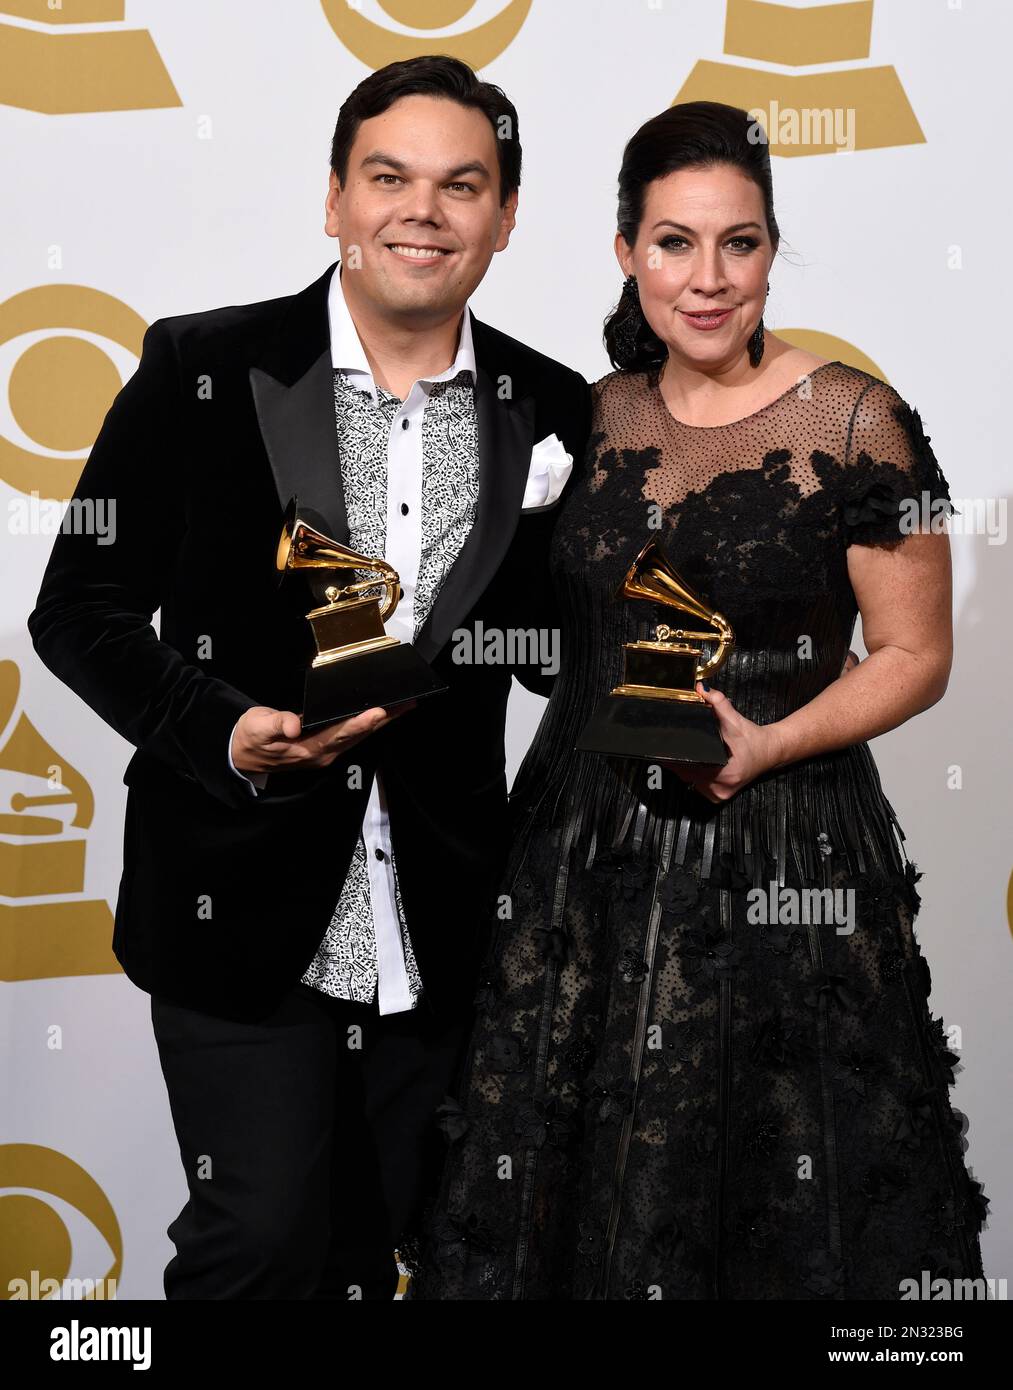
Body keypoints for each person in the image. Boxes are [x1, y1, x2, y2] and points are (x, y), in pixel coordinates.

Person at [26, 56, 590, 1299]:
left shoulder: (548, 406)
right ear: (332, 199)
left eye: (462, 184)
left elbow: (554, 651)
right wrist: (224, 729)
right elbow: (80, 608)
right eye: (387, 177)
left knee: (379, 1253)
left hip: (444, 917)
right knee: (261, 1240)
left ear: (503, 218)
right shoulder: (200, 369)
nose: (421, 211)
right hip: (236, 895)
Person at [417, 101, 989, 1300]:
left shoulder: (854, 419)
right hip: (580, 850)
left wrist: (769, 739)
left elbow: (911, 653)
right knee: (573, 1183)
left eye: (739, 242)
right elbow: (541, 625)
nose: (708, 277)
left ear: (772, 250)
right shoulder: (591, 414)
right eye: (674, 242)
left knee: (776, 1191)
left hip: (778, 838)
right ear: (627, 250)